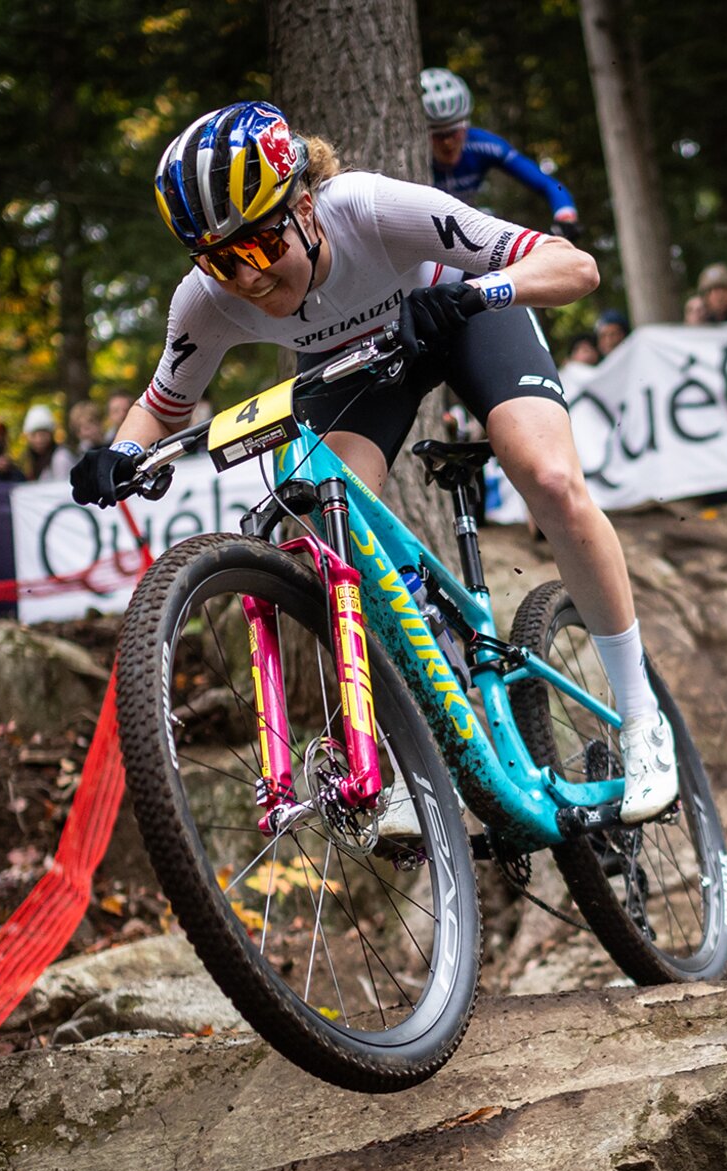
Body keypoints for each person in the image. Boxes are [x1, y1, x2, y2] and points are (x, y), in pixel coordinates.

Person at [74, 100, 676, 821]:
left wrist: (471, 292)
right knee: (332, 531)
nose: (247, 279)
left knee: (545, 474)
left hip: (462, 317)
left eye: (258, 248)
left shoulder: (368, 208)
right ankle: (429, 739)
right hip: (354, 366)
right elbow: (162, 404)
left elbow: (573, 266)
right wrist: (120, 452)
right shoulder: (206, 300)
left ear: (304, 207)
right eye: (219, 261)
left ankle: (643, 719)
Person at [420, 67, 579, 236]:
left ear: (466, 126)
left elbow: (548, 184)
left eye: (454, 132)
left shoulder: (484, 145)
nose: (447, 142)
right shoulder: (417, 155)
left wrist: (565, 215)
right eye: (437, 135)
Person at [21, 404, 72, 480]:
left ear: (51, 434)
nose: (39, 439)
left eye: (43, 434)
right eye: (34, 435)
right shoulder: (29, 461)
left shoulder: (61, 457)